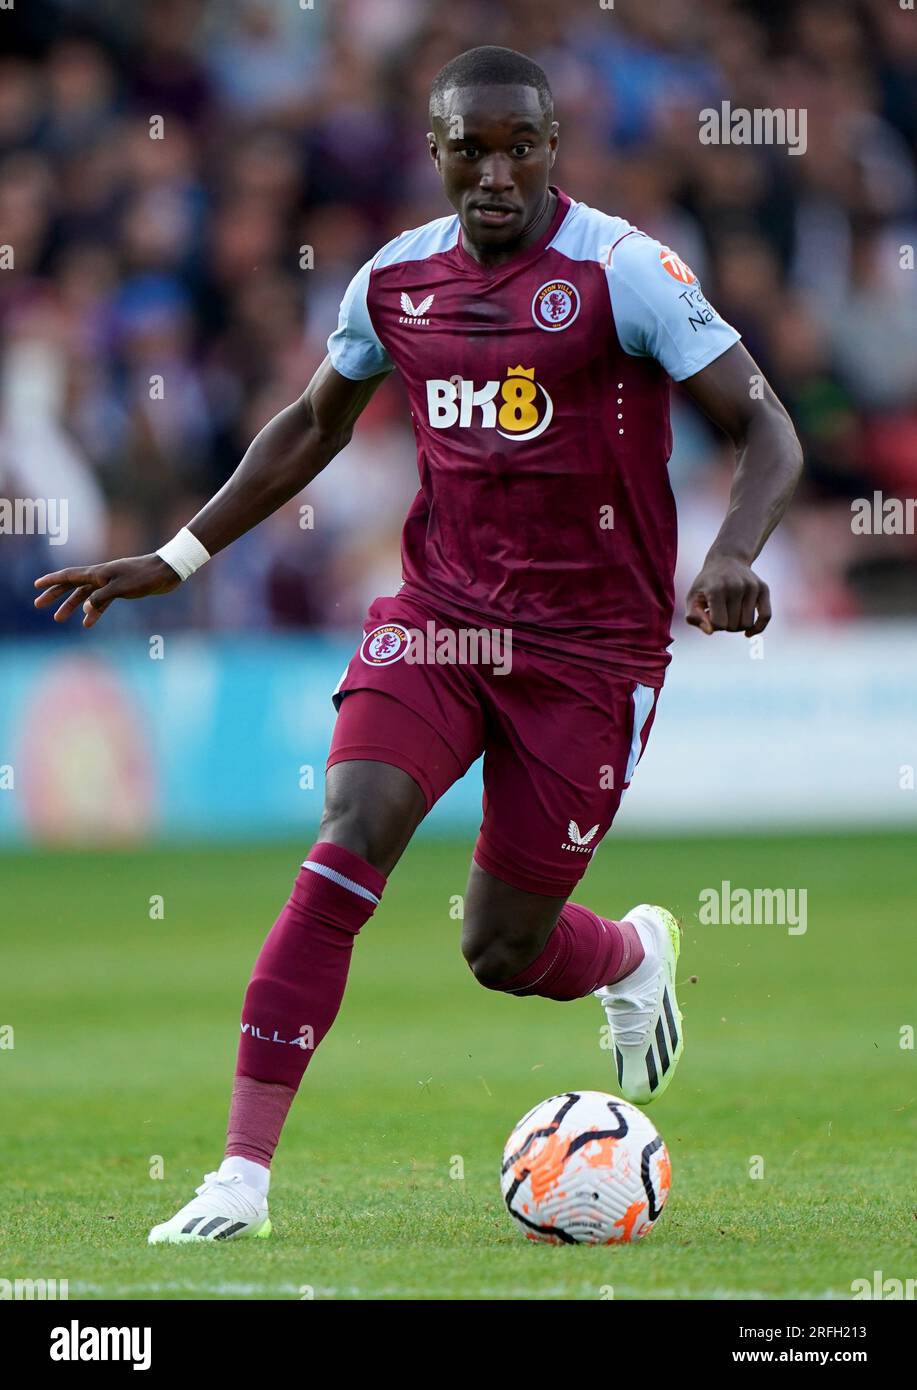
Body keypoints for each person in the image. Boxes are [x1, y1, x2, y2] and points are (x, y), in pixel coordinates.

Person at [34, 47, 803, 1245]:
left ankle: (626, 952)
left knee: (500, 948)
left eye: (520, 148)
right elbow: (308, 425)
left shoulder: (624, 272)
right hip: (438, 624)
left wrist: (732, 550)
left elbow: (767, 429)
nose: (494, 171)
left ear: (553, 150)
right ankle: (239, 1176)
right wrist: (176, 557)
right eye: (470, 148)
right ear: (434, 149)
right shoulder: (392, 281)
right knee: (351, 833)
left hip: (590, 654)